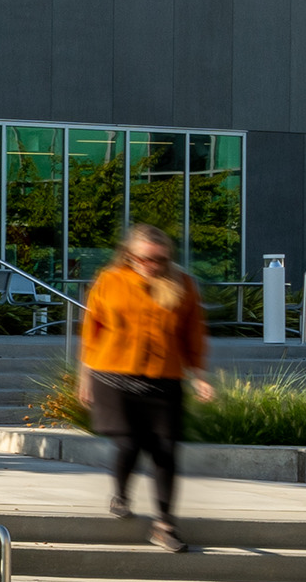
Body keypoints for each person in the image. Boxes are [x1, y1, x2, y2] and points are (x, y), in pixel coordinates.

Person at [81, 223, 213, 551]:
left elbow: (193, 334)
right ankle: (121, 494)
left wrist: (199, 376)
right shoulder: (109, 281)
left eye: (160, 259)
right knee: (130, 443)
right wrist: (84, 380)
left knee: (166, 451)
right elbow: (91, 332)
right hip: (112, 376)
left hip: (164, 379)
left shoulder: (183, 285)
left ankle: (164, 525)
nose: (152, 265)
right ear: (129, 255)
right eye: (145, 259)